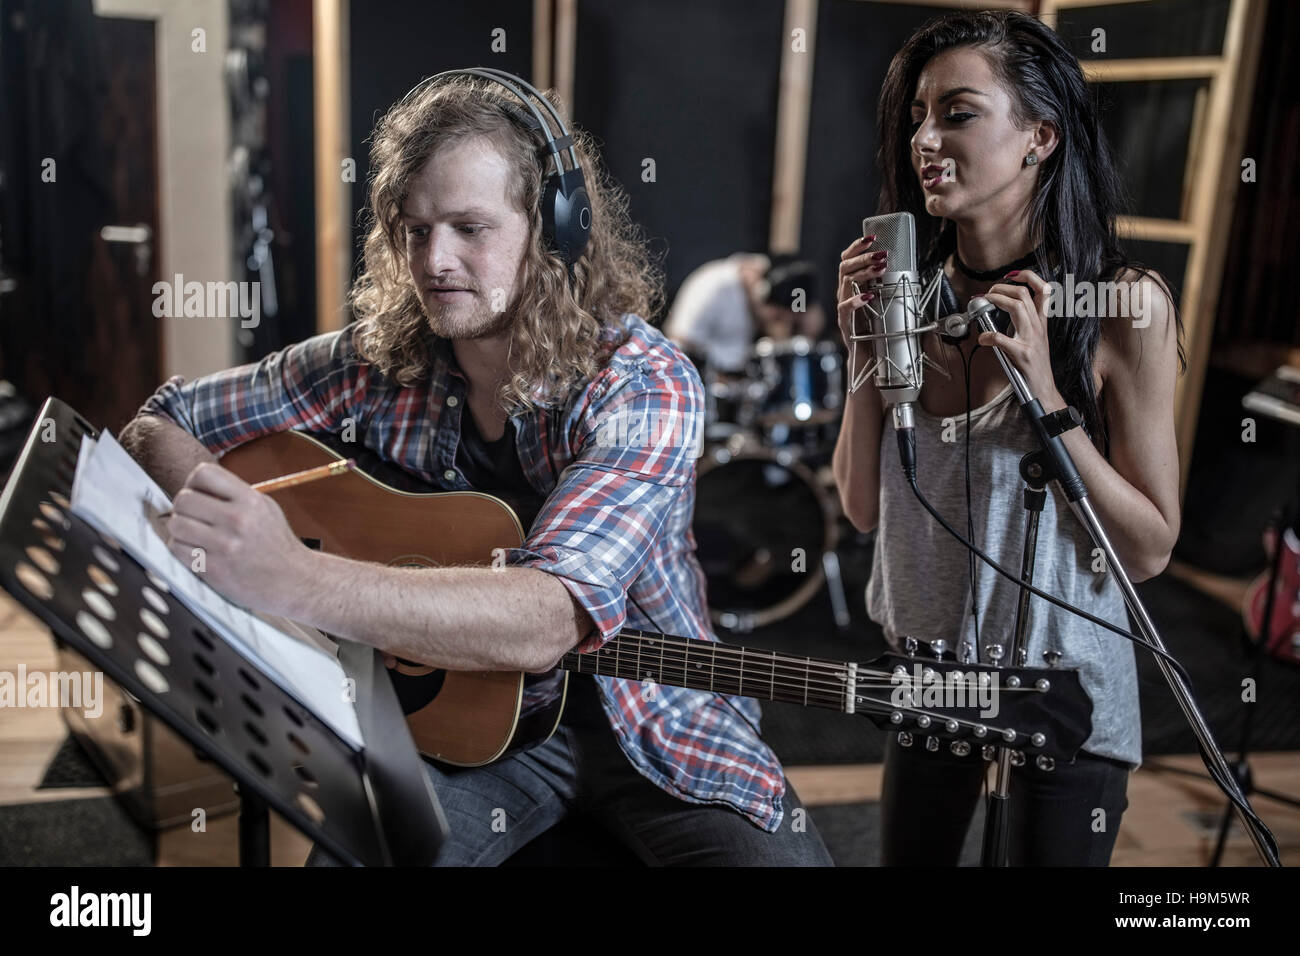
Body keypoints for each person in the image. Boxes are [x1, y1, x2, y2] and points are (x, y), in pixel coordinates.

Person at [121, 71, 831, 867]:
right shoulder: (374, 364)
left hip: (658, 716)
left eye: (469, 227)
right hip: (465, 733)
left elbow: (547, 617)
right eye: (416, 230)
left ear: (554, 228)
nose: (437, 261)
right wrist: (236, 530)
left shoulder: (642, 381)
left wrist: (290, 577)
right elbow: (162, 419)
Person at [831, 10, 1184, 866]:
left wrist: (1050, 398)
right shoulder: (905, 300)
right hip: (931, 682)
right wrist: (863, 359)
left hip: (1063, 697)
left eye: (957, 112)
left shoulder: (1122, 307)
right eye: (917, 115)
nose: (924, 137)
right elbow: (862, 508)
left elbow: (1147, 548)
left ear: (1039, 136)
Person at [665, 253, 825, 373]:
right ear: (761, 292)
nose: (781, 325)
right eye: (777, 318)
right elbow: (678, 342)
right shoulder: (713, 288)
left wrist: (806, 325)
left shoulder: (770, 273)